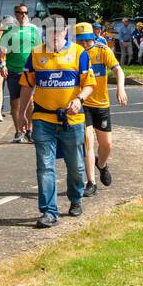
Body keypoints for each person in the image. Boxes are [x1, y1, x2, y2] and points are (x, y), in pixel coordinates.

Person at [20, 16, 95, 228]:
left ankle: (75, 197)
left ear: (65, 32)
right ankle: (49, 212)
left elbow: (89, 85)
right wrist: (22, 114)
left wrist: (79, 100)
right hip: (43, 118)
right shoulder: (35, 55)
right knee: (45, 167)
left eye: (57, 31)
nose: (53, 35)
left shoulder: (79, 53)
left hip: (72, 119)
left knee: (76, 165)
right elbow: (27, 86)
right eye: (49, 31)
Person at [73, 22, 126, 197]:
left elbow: (118, 70)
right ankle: (91, 182)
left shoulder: (102, 50)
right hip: (83, 103)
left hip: (101, 103)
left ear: (93, 37)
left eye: (87, 40)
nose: (85, 44)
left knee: (107, 144)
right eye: (81, 41)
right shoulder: (73, 54)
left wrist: (120, 88)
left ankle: (101, 165)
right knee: (87, 141)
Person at [0, 1, 41, 144]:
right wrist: (2, 65)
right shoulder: (9, 29)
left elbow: (39, 50)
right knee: (15, 102)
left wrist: (40, 68)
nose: (23, 15)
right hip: (13, 70)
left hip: (30, 72)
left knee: (30, 102)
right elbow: (2, 49)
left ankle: (30, 129)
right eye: (20, 12)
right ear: (15, 14)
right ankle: (18, 131)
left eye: (25, 12)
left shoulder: (34, 29)